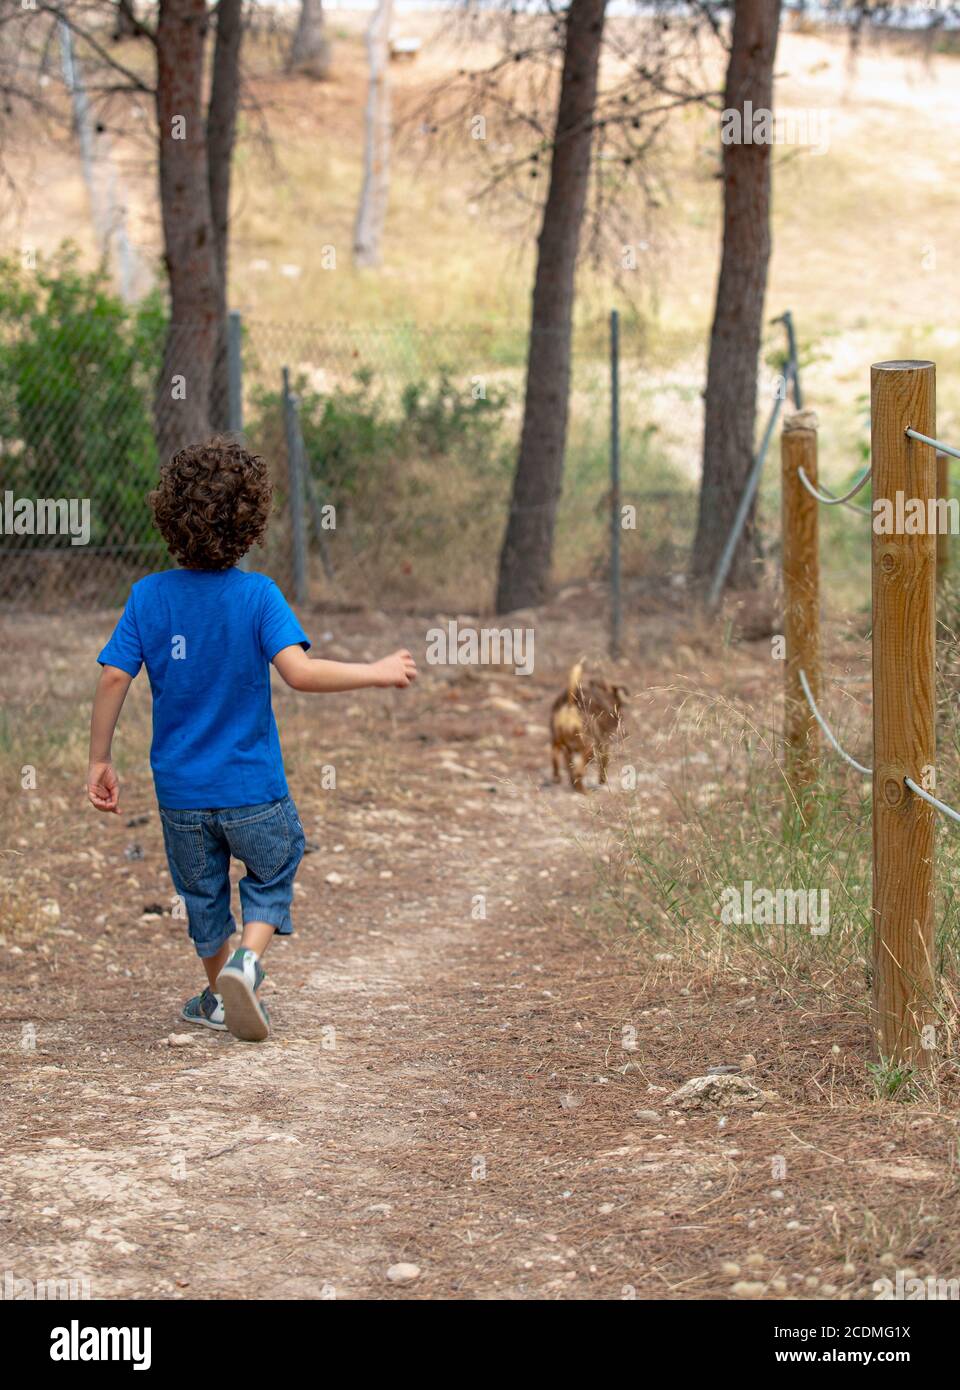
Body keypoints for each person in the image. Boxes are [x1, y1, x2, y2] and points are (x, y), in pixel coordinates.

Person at [87, 437, 416, 1041]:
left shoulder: (148, 597)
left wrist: (100, 759)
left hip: (181, 794)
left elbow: (113, 676)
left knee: (201, 896)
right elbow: (300, 672)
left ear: (168, 515)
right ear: (251, 523)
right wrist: (376, 671)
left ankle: (219, 997)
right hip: (251, 787)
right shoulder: (258, 595)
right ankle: (248, 962)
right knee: (274, 866)